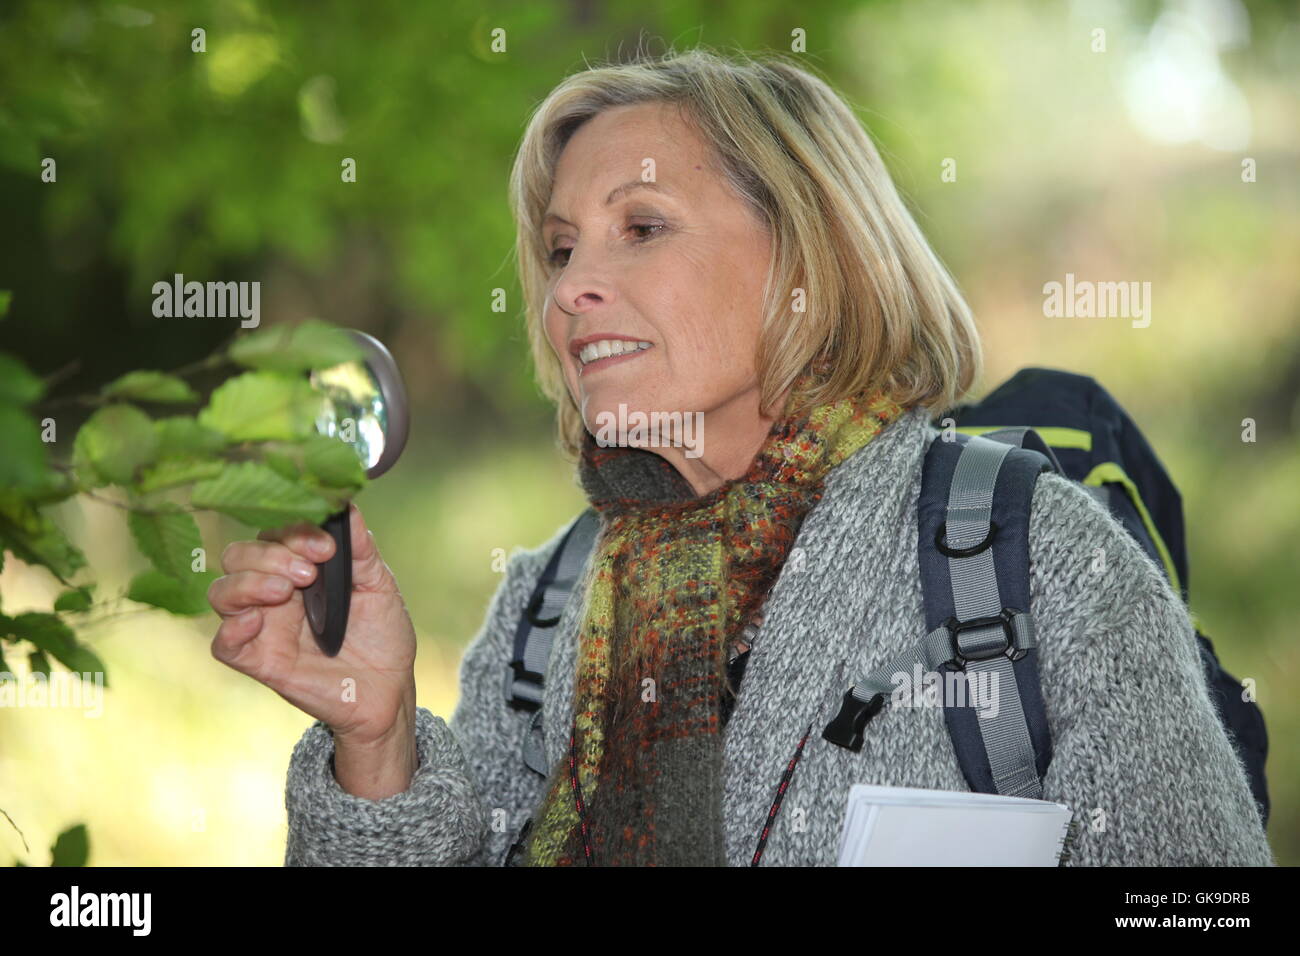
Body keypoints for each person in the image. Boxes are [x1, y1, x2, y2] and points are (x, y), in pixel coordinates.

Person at [207, 48, 1274, 866]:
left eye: (642, 227)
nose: (569, 287)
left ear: (806, 257)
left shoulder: (1033, 561)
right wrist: (379, 742)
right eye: (561, 248)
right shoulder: (545, 601)